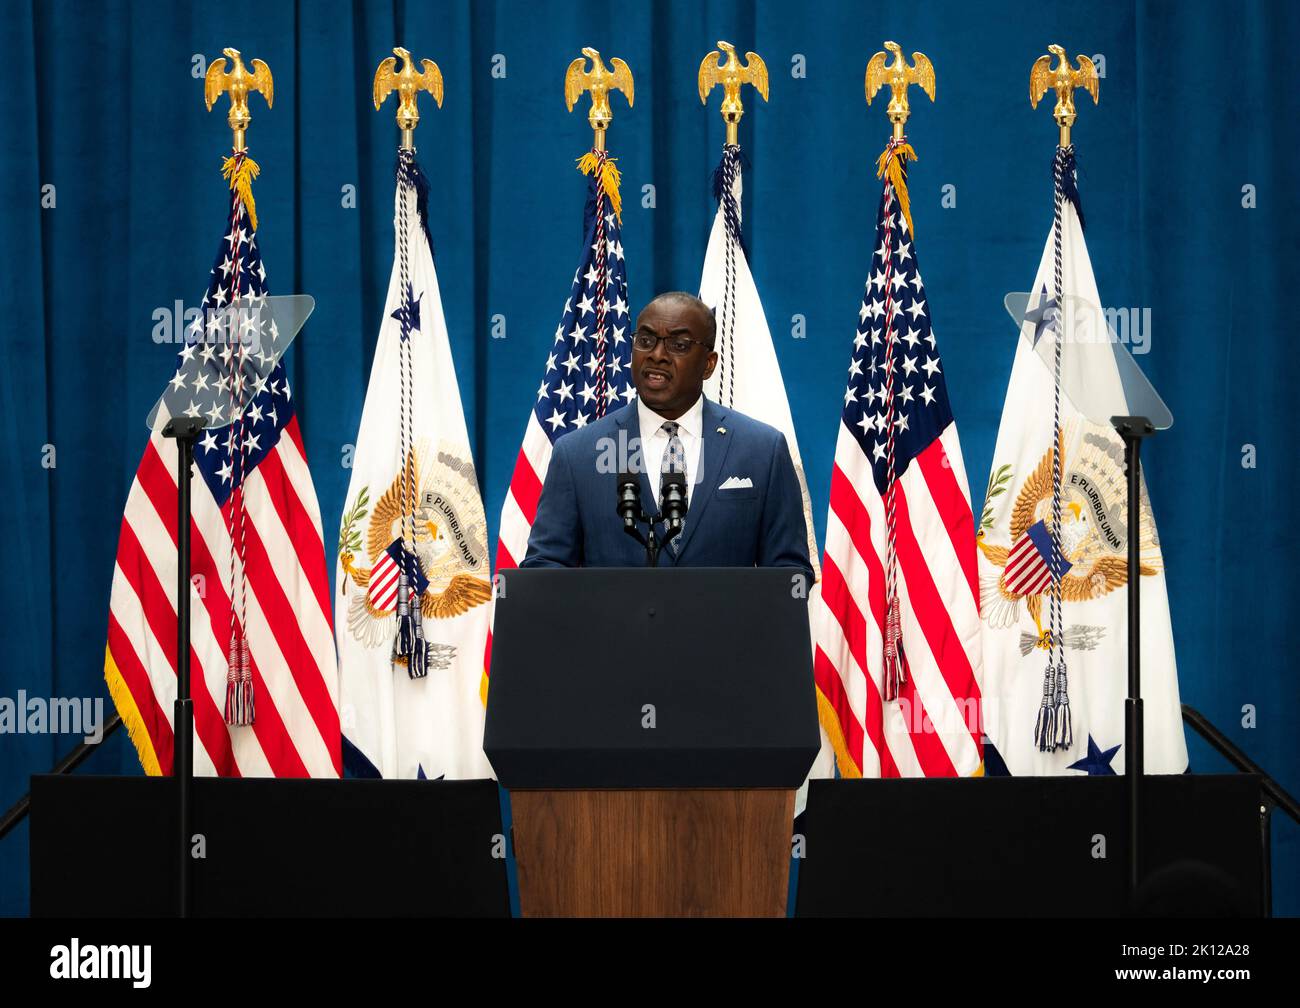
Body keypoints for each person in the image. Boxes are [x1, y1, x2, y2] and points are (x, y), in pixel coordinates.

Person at [522, 291, 813, 582]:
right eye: (645, 340)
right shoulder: (577, 454)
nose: (657, 355)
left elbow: (789, 572)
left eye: (678, 345)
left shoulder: (763, 450)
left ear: (708, 364)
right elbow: (544, 568)